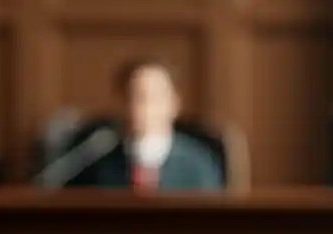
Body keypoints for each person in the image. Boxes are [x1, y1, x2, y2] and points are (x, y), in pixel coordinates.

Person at [66, 58, 224, 191]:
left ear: (174, 103)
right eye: (133, 97)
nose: (141, 107)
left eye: (152, 97)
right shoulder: (96, 160)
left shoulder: (197, 163)